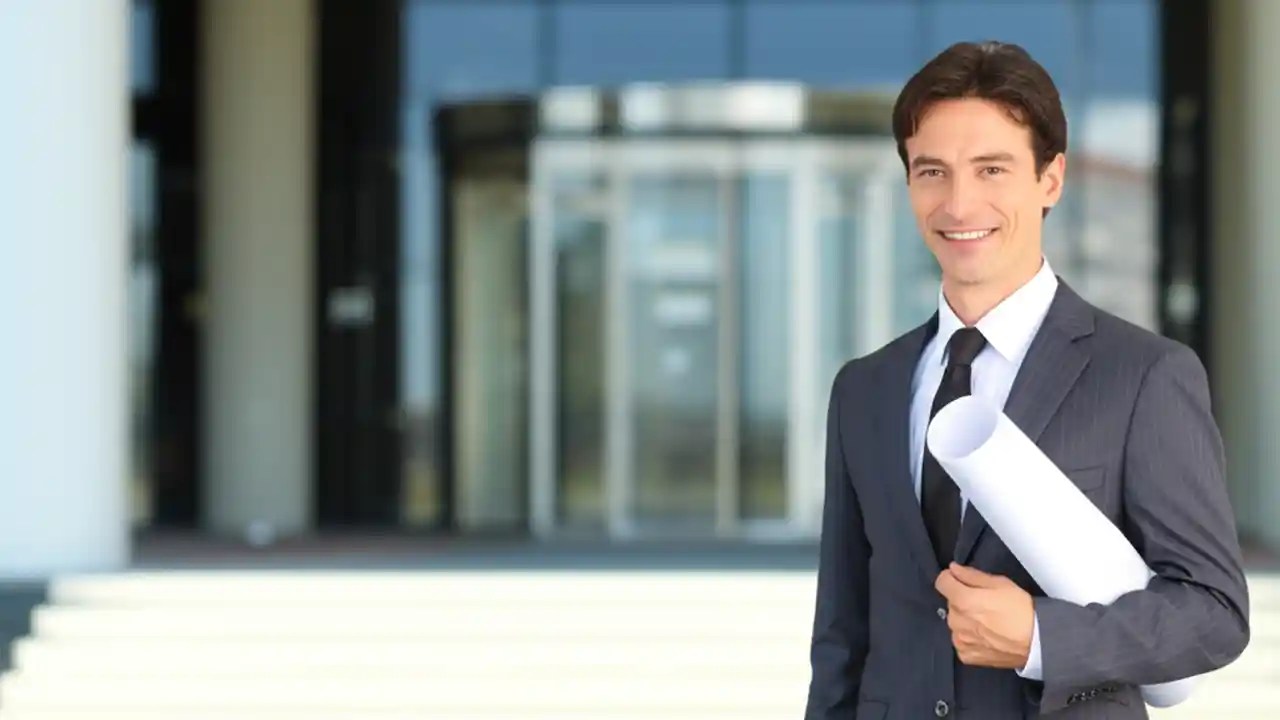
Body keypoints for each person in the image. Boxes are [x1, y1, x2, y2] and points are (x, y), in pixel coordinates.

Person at [803, 41, 1249, 719]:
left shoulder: (1145, 376)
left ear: (1050, 179)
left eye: (992, 169)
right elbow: (842, 637)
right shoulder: (865, 388)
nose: (959, 203)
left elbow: (1213, 613)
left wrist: (1041, 638)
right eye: (933, 171)